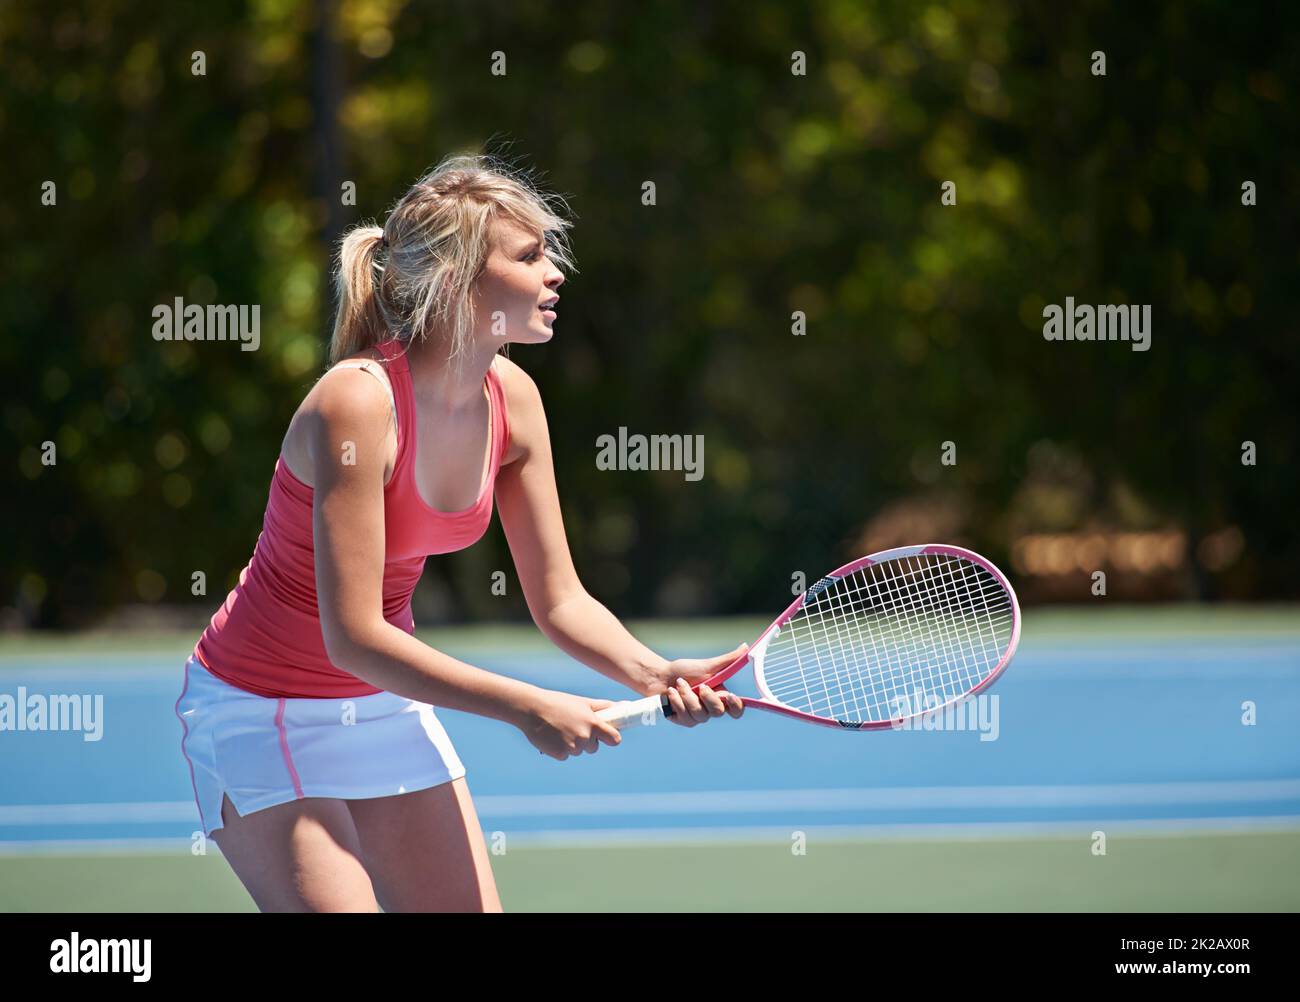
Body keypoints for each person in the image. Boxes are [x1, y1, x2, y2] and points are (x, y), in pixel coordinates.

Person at [174, 154, 745, 913]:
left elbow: (561, 600)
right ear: (460, 280)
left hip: (381, 708)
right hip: (260, 704)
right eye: (531, 255)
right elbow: (355, 636)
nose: (555, 274)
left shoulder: (515, 400)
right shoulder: (356, 403)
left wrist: (653, 675)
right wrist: (525, 706)